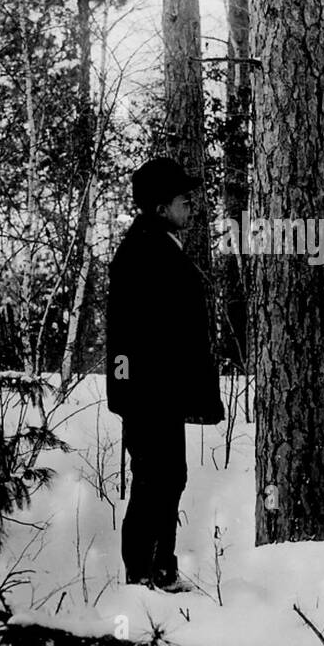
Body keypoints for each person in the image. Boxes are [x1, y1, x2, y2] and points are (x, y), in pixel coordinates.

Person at [106, 157, 223, 593]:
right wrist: (136, 390)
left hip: (159, 392)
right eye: (183, 199)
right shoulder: (143, 253)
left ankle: (159, 569)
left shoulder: (159, 246)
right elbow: (135, 334)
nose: (192, 205)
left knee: (167, 477)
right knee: (157, 478)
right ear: (159, 208)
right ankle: (143, 575)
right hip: (149, 393)